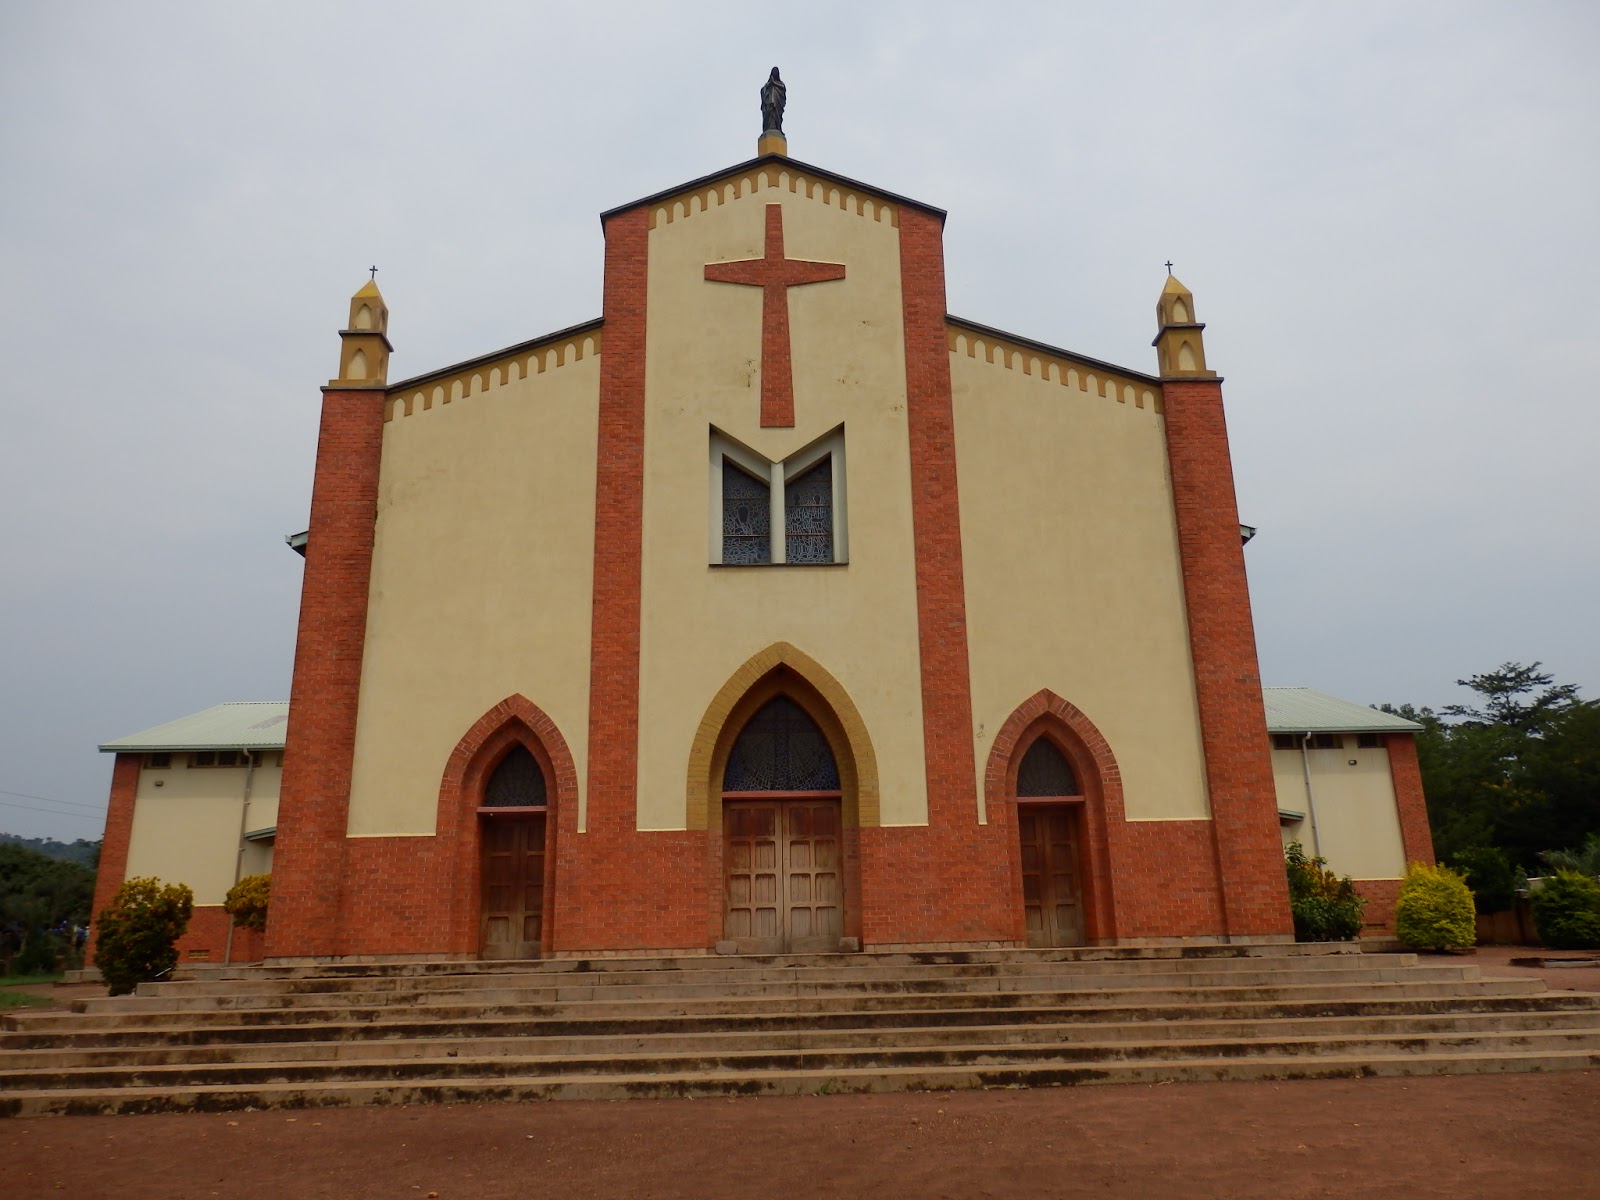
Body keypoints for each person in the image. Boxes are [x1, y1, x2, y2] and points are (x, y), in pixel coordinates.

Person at [761, 67, 786, 133]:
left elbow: (783, 91)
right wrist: (770, 84)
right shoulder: (767, 85)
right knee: (770, 113)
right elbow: (762, 91)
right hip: (769, 104)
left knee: (776, 115)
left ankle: (777, 127)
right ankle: (770, 126)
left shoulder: (781, 84)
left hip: (777, 105)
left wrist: (773, 83)